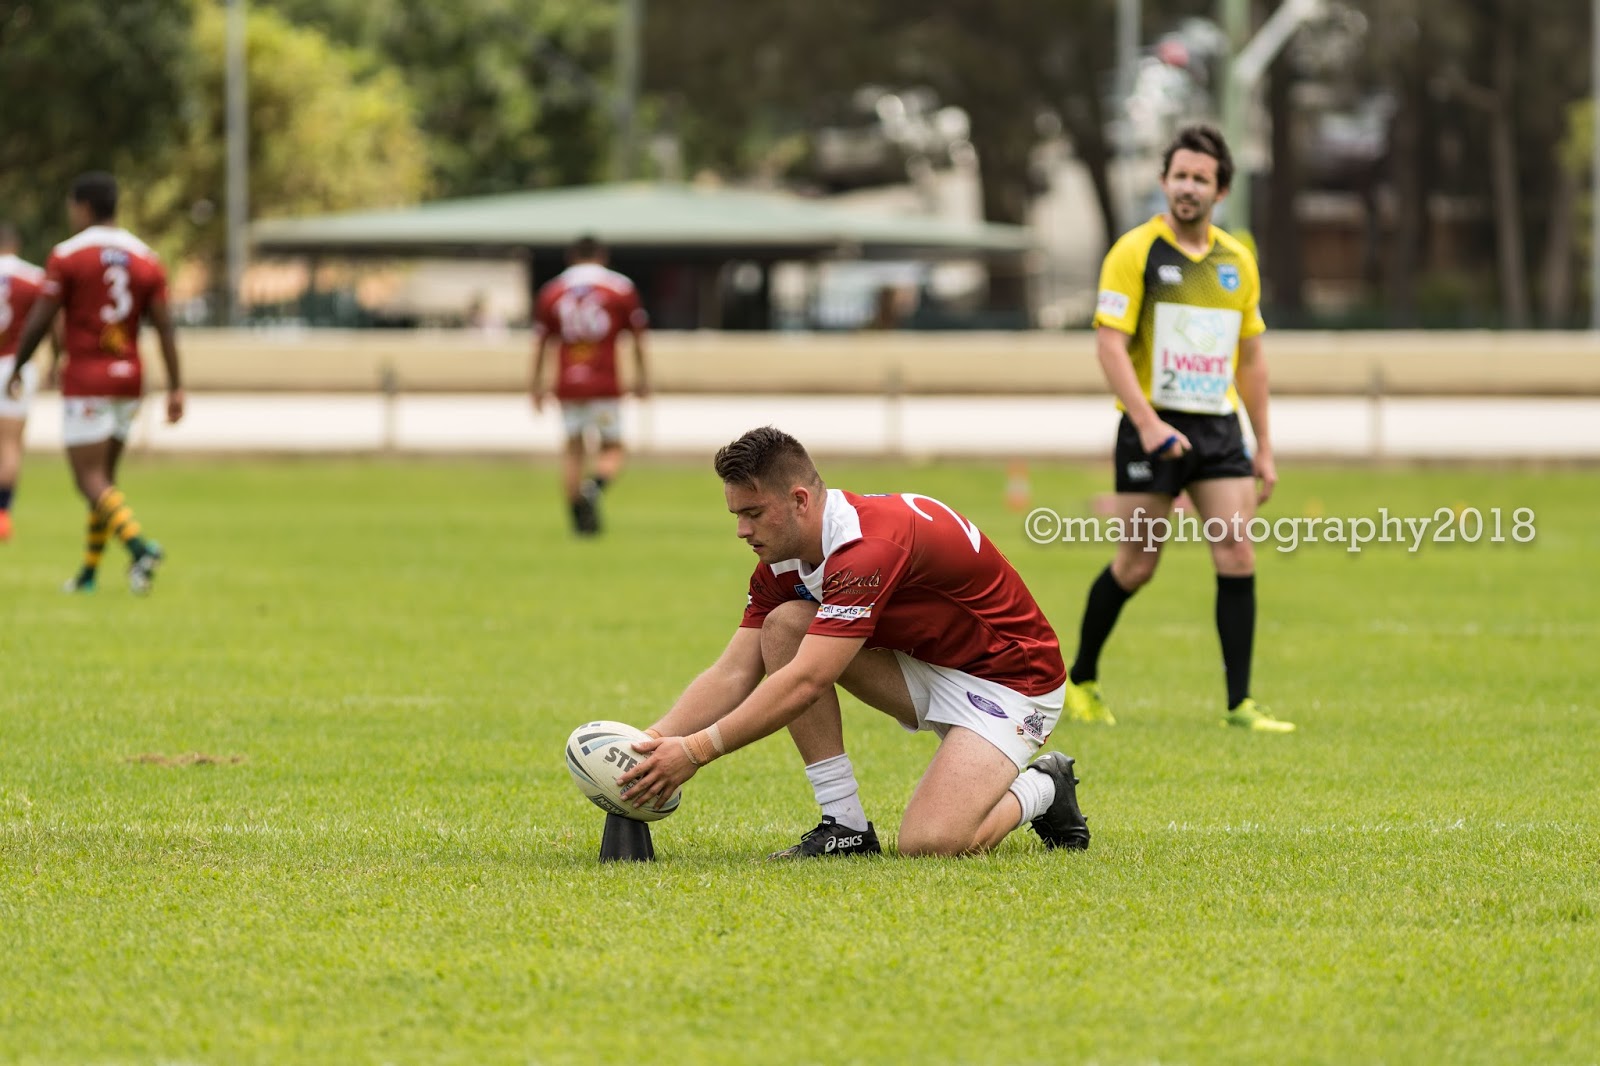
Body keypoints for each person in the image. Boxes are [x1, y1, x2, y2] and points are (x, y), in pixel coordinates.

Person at [616, 426, 1090, 859]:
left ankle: (1046, 786)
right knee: (784, 626)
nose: (742, 530)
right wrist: (649, 742)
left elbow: (806, 681)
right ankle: (844, 826)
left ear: (800, 500)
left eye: (753, 513)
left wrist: (696, 751)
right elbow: (734, 671)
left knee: (931, 844)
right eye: (736, 514)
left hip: (1012, 682)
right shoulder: (784, 560)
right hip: (924, 664)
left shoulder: (867, 549)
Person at [1066, 124, 1291, 732]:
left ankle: (1239, 703)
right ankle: (1081, 680)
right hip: (1150, 430)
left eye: (1201, 178)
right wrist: (1147, 423)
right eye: (1180, 175)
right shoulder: (1135, 251)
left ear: (1220, 192)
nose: (1188, 187)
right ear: (1164, 181)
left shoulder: (1235, 261)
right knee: (1137, 564)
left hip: (1217, 430)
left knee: (1237, 553)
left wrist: (1264, 447)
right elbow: (1110, 346)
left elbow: (1251, 360)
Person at [4, 172, 184, 594]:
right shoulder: (147, 258)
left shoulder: (68, 256)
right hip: (129, 378)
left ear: (82, 207)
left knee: (88, 479)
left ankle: (140, 546)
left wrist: (19, 367)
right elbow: (165, 327)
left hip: (87, 378)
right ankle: (87, 574)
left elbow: (42, 319)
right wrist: (177, 385)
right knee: (105, 482)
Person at [530, 235, 649, 536]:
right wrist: (642, 378)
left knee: (573, 450)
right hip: (604, 381)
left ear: (571, 256)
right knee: (613, 446)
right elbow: (637, 337)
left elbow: (542, 342)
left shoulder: (553, 290)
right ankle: (594, 487)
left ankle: (579, 523)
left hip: (568, 382)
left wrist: (536, 386)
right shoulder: (619, 288)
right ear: (602, 256)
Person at [0, 222, 60, 542]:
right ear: (15, 244)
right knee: (9, 443)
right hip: (15, 366)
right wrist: (57, 360)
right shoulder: (33, 277)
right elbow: (51, 319)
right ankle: (2, 516)